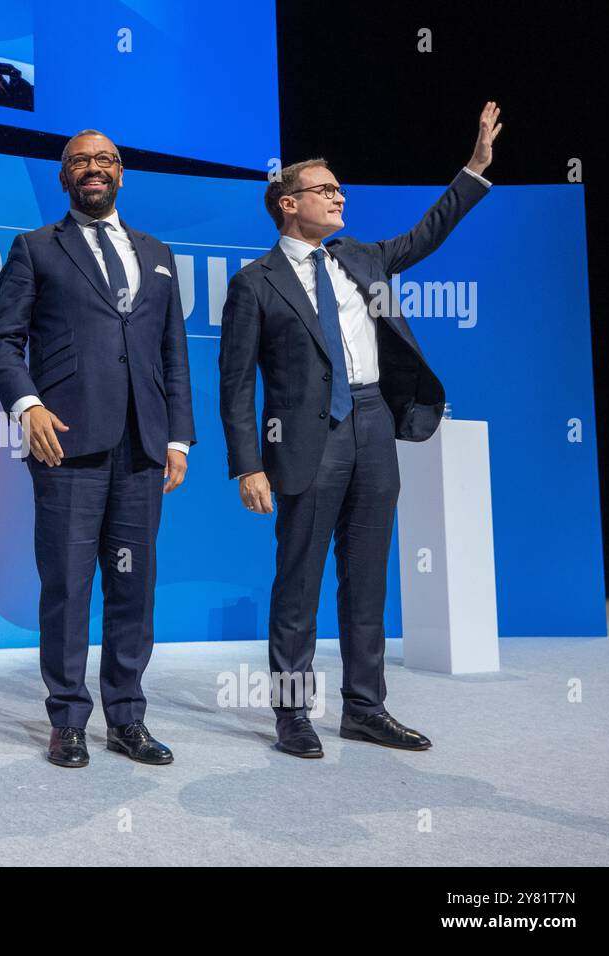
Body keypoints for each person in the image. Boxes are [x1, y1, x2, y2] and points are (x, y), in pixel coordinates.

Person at [218, 104, 502, 757]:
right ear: (288, 204)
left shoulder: (363, 258)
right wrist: (247, 464)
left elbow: (428, 232)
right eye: (326, 189)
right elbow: (236, 383)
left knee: (367, 575)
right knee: (299, 579)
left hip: (373, 425)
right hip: (304, 440)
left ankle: (365, 708)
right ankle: (292, 715)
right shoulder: (254, 285)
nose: (339, 196)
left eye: (339, 188)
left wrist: (475, 169)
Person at [0, 129, 195, 768]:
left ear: (122, 174)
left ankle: (127, 719)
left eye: (104, 160)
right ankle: (68, 720)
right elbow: (2, 343)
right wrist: (28, 405)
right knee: (68, 588)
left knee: (135, 587)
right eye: (79, 162)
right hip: (67, 447)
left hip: (141, 449)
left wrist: (178, 436)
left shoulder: (157, 253)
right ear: (63, 178)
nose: (92, 169)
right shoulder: (35, 249)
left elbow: (173, 354)